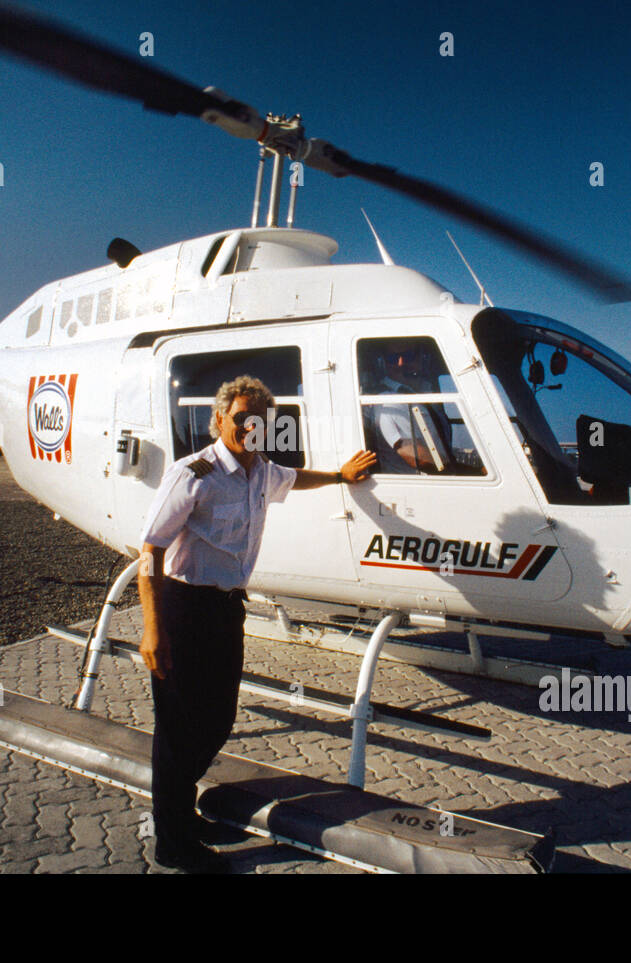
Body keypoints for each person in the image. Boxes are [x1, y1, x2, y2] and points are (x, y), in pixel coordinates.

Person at [137, 375, 377, 872]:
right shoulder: (194, 474)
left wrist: (339, 475)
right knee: (179, 731)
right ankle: (172, 842)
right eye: (241, 417)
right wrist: (152, 628)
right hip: (184, 608)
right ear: (220, 418)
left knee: (218, 719)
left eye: (258, 421)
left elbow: (295, 477)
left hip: (226, 609)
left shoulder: (262, 471)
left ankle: (181, 814)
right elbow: (150, 551)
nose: (249, 427)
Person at [367, 341, 453, 473]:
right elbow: (419, 459)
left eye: (408, 356)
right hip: (415, 486)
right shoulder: (389, 402)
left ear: (422, 357)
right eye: (392, 359)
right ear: (384, 364)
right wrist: (469, 472)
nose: (400, 363)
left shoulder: (423, 392)